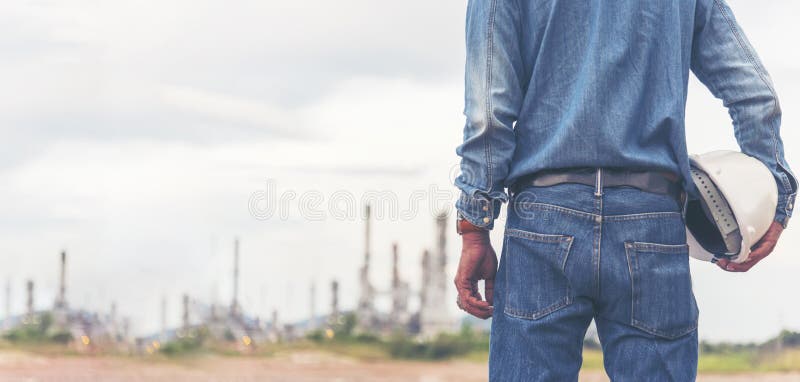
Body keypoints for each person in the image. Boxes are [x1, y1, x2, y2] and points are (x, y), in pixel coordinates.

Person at [452, 0, 796, 380]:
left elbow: (488, 112)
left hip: (544, 219)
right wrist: (774, 199)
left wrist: (475, 224)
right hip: (651, 219)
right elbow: (754, 95)